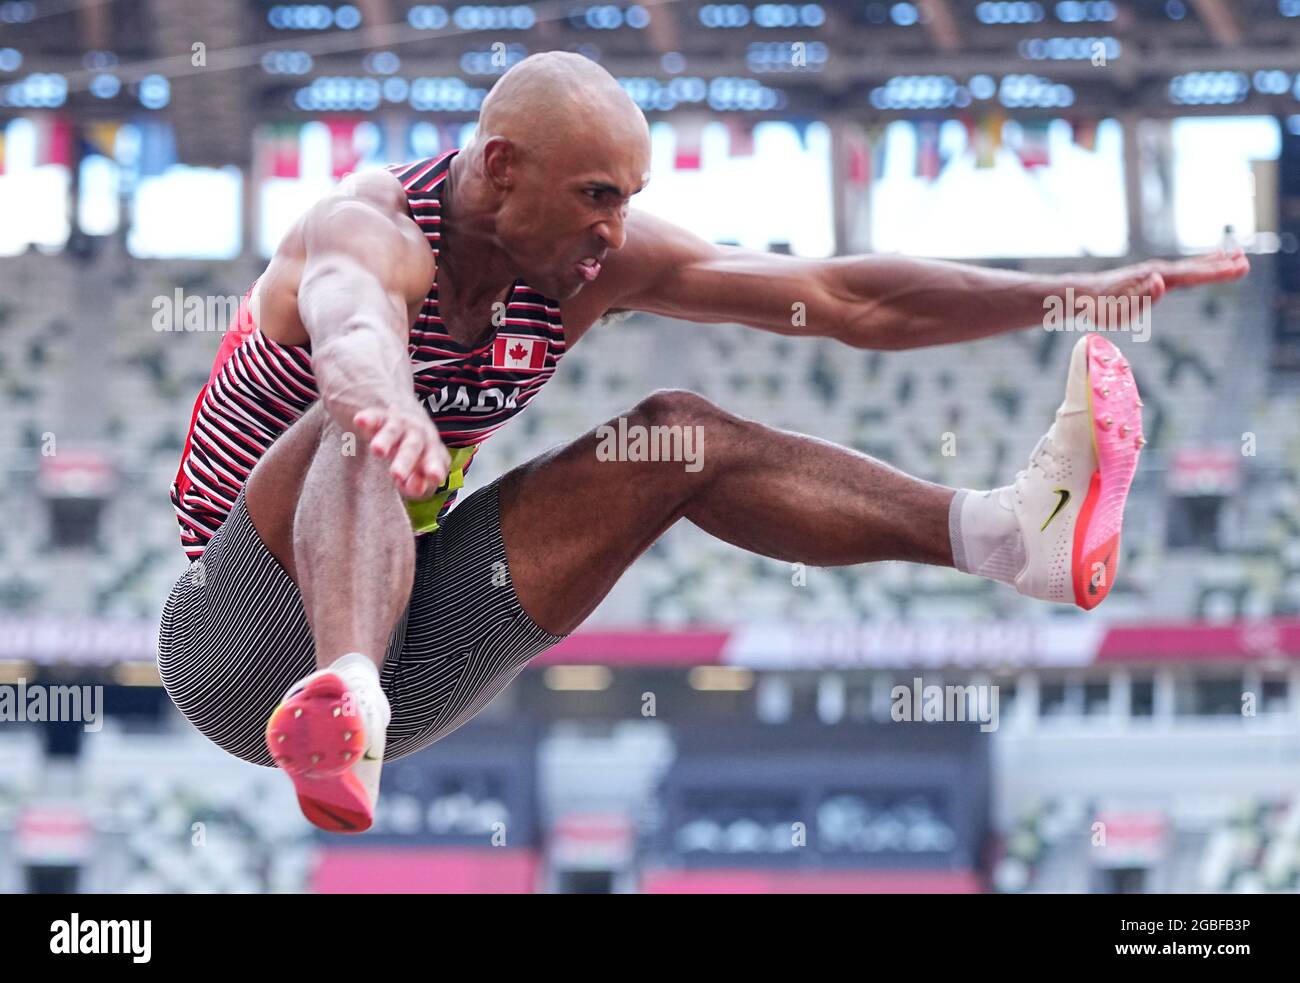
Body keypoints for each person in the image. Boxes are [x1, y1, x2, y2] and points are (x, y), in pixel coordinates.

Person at [156, 51, 1251, 832]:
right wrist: (388, 399)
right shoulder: (367, 226)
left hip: (417, 646)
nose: (613, 232)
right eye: (594, 196)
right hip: (240, 642)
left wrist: (1071, 296)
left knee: (677, 437)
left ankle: (1010, 538)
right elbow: (353, 327)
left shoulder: (593, 265)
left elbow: (839, 300)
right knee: (355, 425)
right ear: (498, 167)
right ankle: (340, 692)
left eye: (628, 200)